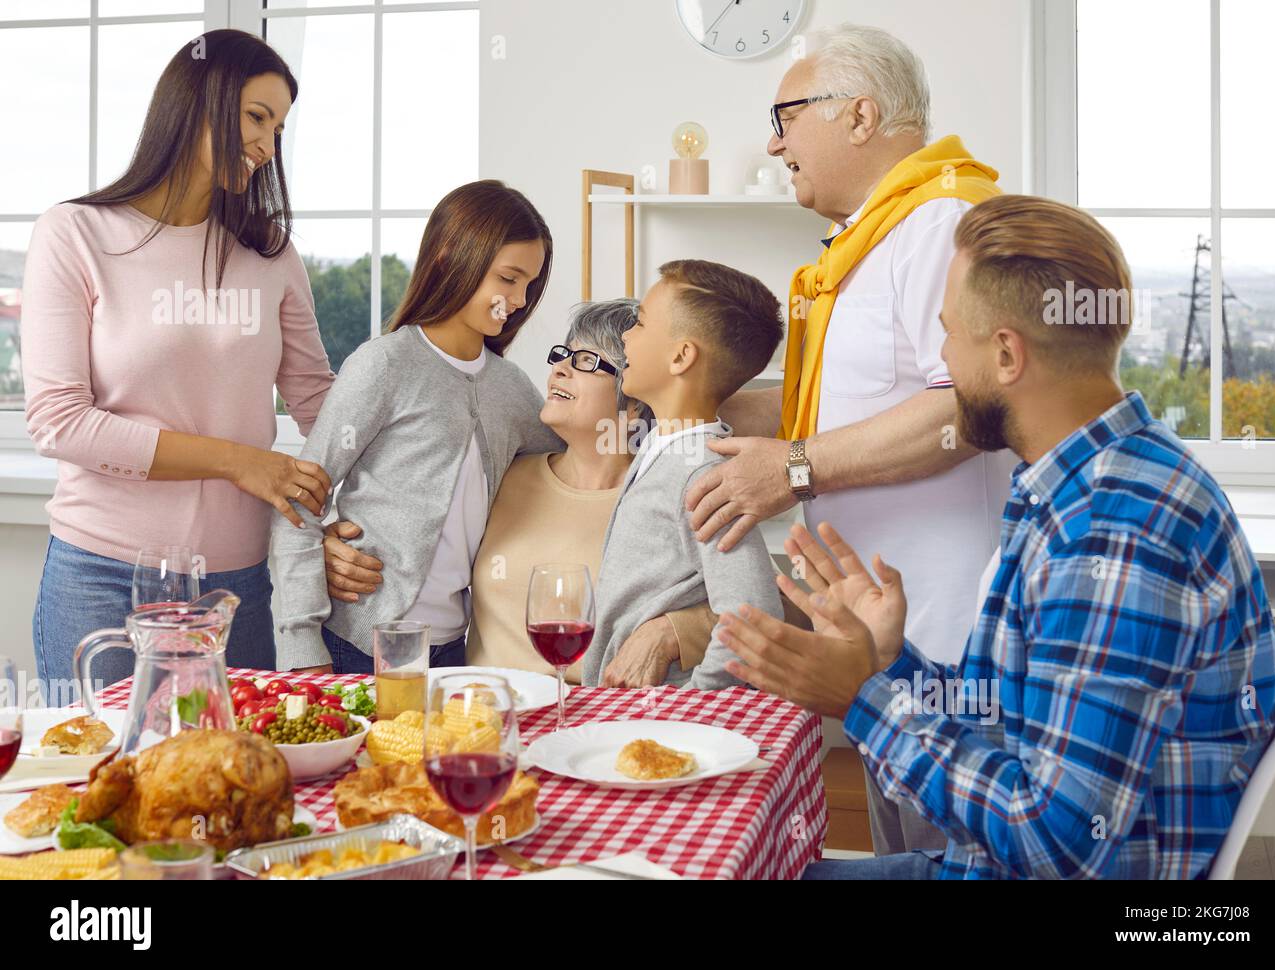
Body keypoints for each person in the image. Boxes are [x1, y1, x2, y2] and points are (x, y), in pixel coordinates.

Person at [717, 195, 1275, 879]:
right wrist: (889, 663)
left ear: (1008, 354)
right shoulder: (1081, 480)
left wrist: (861, 700)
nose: (945, 359)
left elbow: (1055, 842)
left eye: (950, 335)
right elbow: (1013, 723)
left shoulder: (1114, 530)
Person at [685, 23, 1013, 853]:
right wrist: (682, 407)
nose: (773, 141)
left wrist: (791, 470)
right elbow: (830, 409)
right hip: (883, 635)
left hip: (947, 632)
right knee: (909, 853)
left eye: (786, 116)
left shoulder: (939, 225)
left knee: (954, 858)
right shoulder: (870, 242)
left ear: (859, 115)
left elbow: (964, 413)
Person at [23, 29, 335, 686]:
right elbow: (58, 420)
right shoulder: (77, 234)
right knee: (104, 782)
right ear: (197, 104)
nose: (268, 145)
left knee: (227, 784)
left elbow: (320, 403)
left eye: (279, 127)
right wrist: (239, 461)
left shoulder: (269, 253)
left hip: (233, 587)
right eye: (257, 117)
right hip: (101, 577)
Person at [320, 300, 720, 687]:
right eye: (563, 354)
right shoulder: (509, 472)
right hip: (475, 711)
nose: (559, 369)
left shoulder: (671, 491)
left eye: (585, 361)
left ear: (634, 400)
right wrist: (332, 545)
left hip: (590, 718)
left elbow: (762, 604)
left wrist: (674, 631)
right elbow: (420, 514)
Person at [273, 180, 561, 674]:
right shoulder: (385, 365)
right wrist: (301, 646)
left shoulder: (512, 389)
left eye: (530, 285)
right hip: (356, 645)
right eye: (508, 279)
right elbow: (298, 497)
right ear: (451, 257)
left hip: (455, 649)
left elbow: (569, 473)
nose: (518, 299)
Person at [583, 260, 784, 690]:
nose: (624, 336)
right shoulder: (663, 449)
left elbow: (754, 615)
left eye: (638, 324)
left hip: (663, 719)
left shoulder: (704, 474)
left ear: (680, 356)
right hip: (624, 708)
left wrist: (696, 701)